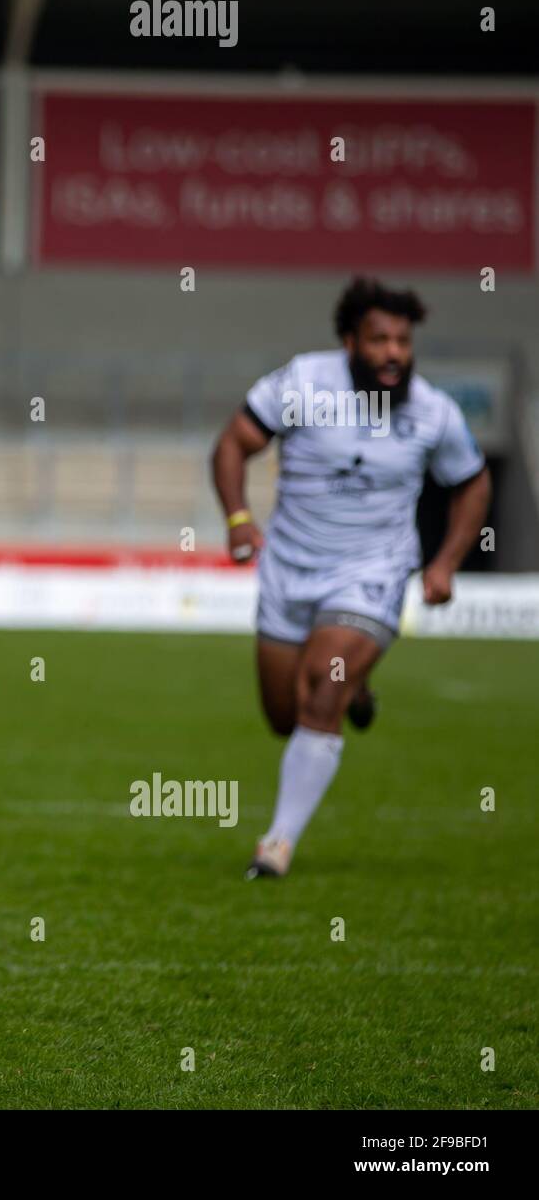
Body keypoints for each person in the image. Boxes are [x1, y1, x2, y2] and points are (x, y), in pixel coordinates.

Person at [210, 277, 491, 878]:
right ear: (348, 342)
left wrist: (443, 563)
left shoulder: (433, 412)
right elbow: (233, 444)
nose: (393, 353)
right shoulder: (303, 383)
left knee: (322, 691)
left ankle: (277, 846)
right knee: (283, 716)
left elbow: (472, 482)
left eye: (403, 341)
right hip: (289, 569)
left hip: (372, 572)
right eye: (379, 339)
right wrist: (238, 519)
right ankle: (357, 690)